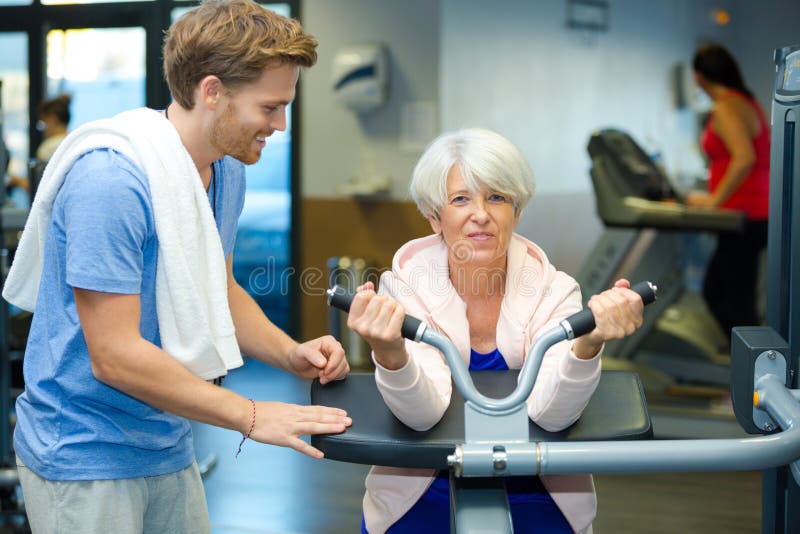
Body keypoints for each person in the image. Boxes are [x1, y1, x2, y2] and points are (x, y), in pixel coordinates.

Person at [2, 1, 352, 532]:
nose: (280, 125)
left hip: (165, 438)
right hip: (83, 449)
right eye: (270, 107)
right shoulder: (112, 182)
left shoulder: (224, 169)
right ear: (212, 92)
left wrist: (290, 353)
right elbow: (115, 356)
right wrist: (251, 415)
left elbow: (221, 287)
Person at [347, 128, 646, 533]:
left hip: (537, 488)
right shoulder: (404, 288)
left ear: (517, 212)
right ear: (435, 217)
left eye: (497, 197)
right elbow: (422, 416)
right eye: (460, 199)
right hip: (422, 489)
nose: (481, 214)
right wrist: (389, 352)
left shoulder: (555, 290)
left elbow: (552, 416)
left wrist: (589, 342)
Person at [687, 43, 770, 336]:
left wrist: (713, 201)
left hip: (741, 215)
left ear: (698, 76)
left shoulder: (725, 108)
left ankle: (753, 367)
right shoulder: (747, 101)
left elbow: (744, 156)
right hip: (754, 212)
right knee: (724, 292)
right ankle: (748, 359)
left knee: (731, 299)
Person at [7, 94, 71, 197]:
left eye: (43, 123)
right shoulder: (72, 142)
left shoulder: (49, 147)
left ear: (52, 119)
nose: (43, 129)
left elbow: (38, 188)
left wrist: (16, 181)